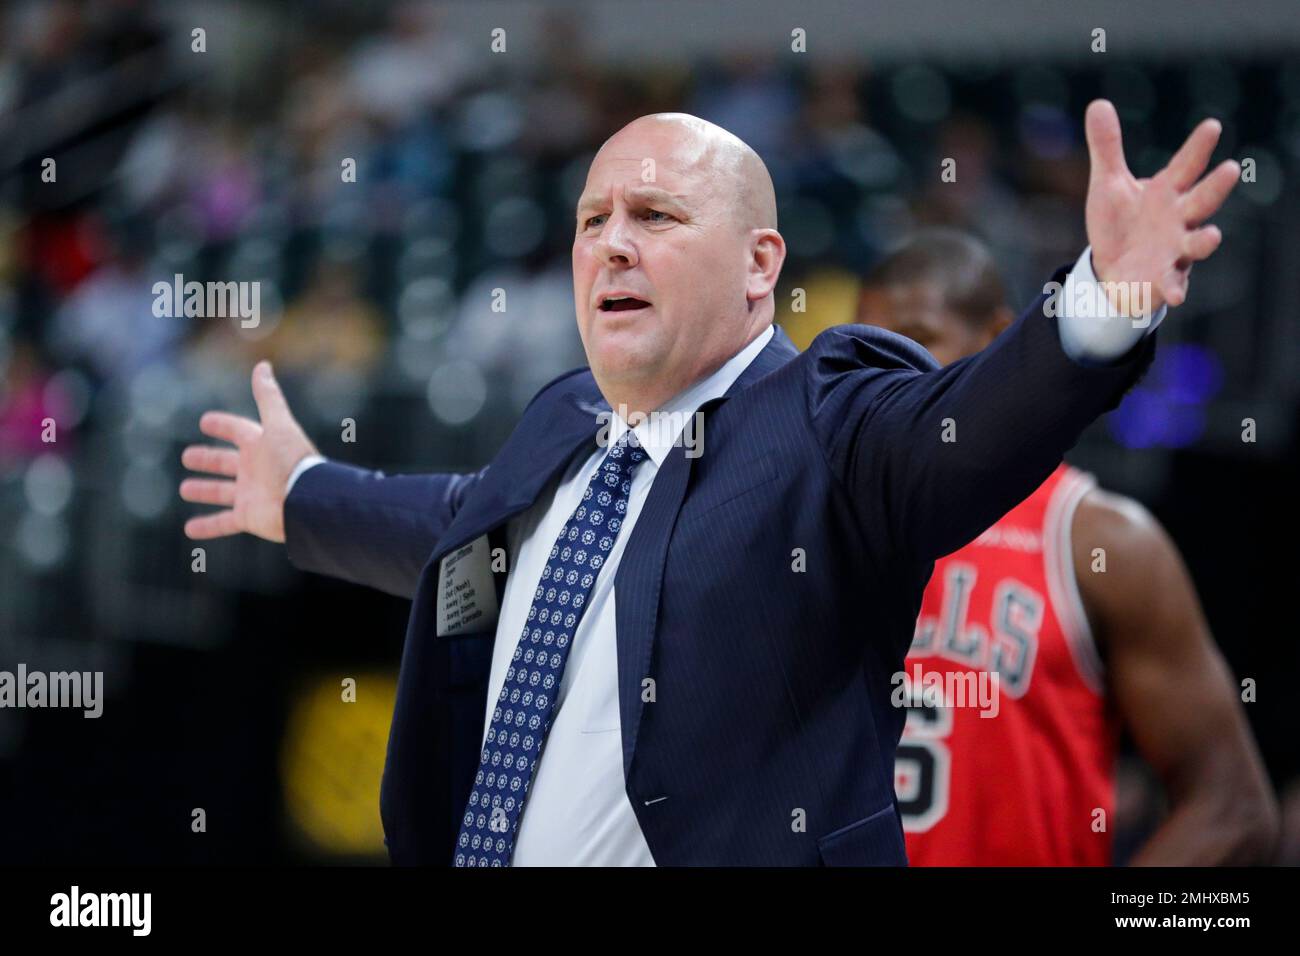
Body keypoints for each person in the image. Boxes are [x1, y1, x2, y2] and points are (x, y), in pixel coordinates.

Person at [179, 103, 1240, 866]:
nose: (610, 245)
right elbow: (459, 527)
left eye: (654, 215)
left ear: (757, 263)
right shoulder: (563, 420)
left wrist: (1103, 301)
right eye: (592, 220)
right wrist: (303, 491)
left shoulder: (825, 411)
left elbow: (963, 438)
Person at [858, 229, 1278, 865]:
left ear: (1000, 340)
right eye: (868, 353)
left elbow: (1233, 810)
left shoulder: (1097, 539)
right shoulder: (819, 525)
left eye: (919, 340)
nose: (889, 377)